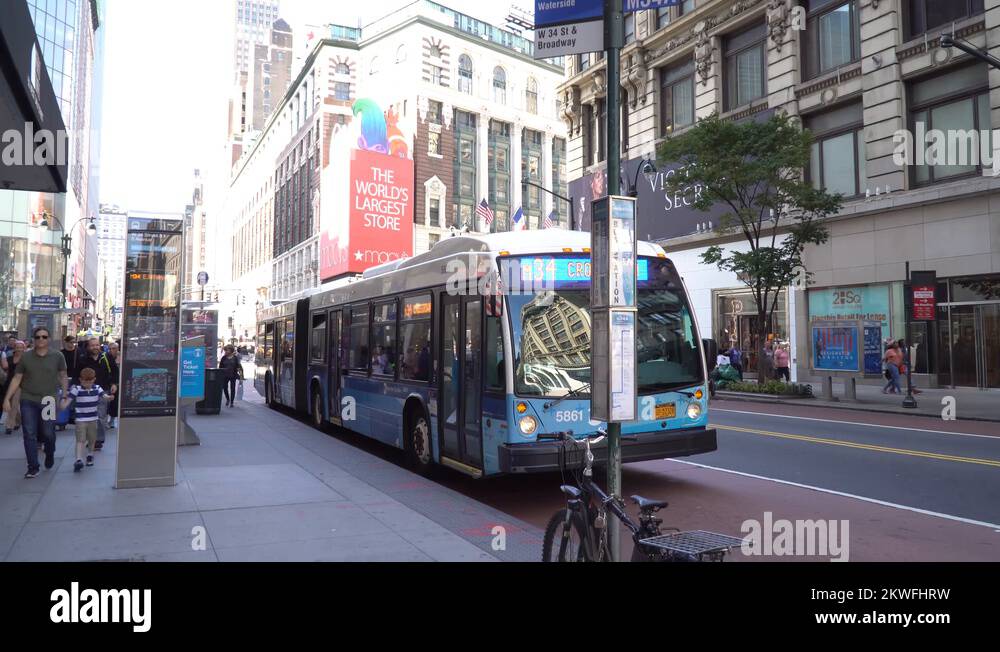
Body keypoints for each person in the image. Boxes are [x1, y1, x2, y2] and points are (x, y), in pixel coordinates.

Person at [3, 327, 68, 479]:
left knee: (48, 433)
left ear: (49, 339)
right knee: (29, 433)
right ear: (33, 339)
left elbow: (63, 376)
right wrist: (7, 398)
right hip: (29, 399)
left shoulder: (57, 356)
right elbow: (17, 378)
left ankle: (50, 452)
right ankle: (33, 466)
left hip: (49, 400)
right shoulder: (26, 357)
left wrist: (64, 395)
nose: (41, 340)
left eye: (44, 337)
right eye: (38, 337)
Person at [61, 367, 114, 473]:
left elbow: (104, 396)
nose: (87, 384)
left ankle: (90, 455)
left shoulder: (97, 388)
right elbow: (68, 400)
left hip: (93, 418)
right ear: (81, 380)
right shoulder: (77, 389)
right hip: (80, 419)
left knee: (92, 439)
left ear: (94, 379)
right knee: (80, 440)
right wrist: (63, 404)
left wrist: (109, 397)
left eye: (90, 381)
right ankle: (78, 460)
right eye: (85, 381)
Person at [77, 338, 117, 450]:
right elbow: (77, 374)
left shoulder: (106, 357)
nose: (95, 347)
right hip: (87, 392)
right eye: (92, 345)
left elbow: (114, 371)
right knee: (87, 417)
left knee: (101, 416)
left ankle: (98, 440)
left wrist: (114, 384)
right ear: (88, 347)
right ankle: (89, 438)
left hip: (103, 390)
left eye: (97, 345)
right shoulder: (83, 359)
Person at [1, 340, 25, 435]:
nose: (19, 349)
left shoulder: (26, 359)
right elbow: (5, 369)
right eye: (17, 347)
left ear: (24, 348)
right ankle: (19, 420)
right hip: (9, 382)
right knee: (9, 403)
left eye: (21, 347)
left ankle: (9, 425)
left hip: (20, 383)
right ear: (14, 348)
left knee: (14, 403)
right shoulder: (9, 358)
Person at [106, 342, 122, 428]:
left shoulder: (120, 357)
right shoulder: (107, 357)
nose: (112, 350)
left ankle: (112, 420)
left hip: (118, 382)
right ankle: (106, 419)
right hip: (108, 381)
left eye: (114, 348)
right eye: (110, 348)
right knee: (107, 401)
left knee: (115, 402)